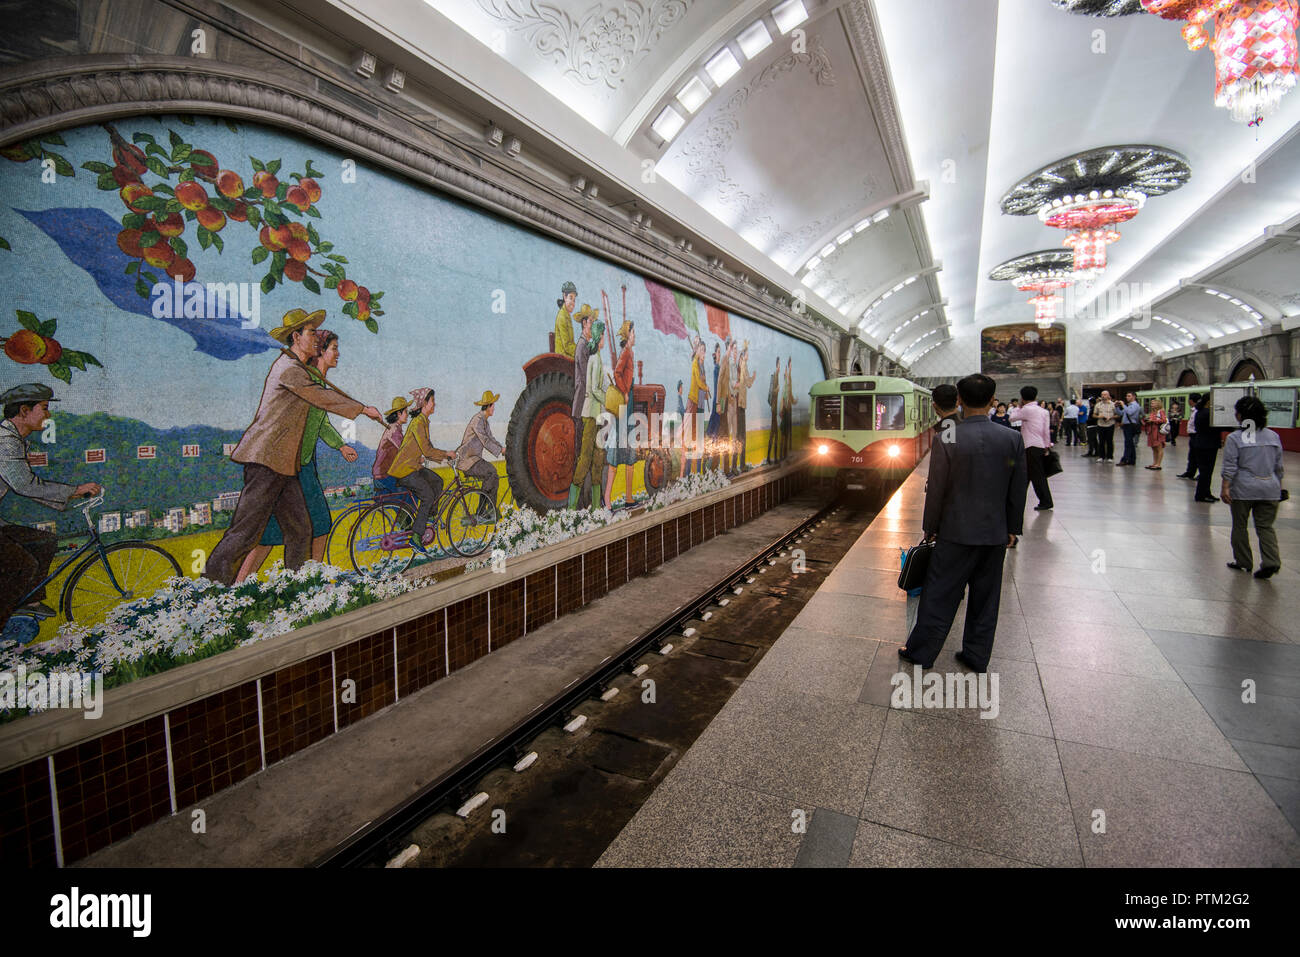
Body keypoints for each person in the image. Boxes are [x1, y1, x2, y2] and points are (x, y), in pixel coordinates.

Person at [205, 309, 381, 586]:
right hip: (265, 461)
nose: (316, 339)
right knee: (245, 532)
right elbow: (320, 397)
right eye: (311, 333)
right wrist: (361, 409)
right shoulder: (288, 369)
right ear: (296, 337)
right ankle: (211, 586)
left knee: (300, 529)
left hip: (285, 465)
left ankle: (297, 586)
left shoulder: (300, 369)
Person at [898, 374, 1028, 673]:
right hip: (994, 534)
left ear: (959, 399)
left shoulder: (948, 436)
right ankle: (976, 656)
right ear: (993, 400)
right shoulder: (1012, 438)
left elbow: (938, 487)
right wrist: (1012, 528)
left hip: (954, 533)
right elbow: (1018, 487)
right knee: (986, 598)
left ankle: (921, 653)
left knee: (939, 595)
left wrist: (930, 526)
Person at [236, 328, 359, 581]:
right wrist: (360, 413)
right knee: (309, 525)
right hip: (292, 464)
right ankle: (309, 579)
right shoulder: (306, 379)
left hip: (302, 463)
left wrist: (340, 445)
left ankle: (308, 577)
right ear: (321, 352)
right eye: (334, 348)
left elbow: (321, 422)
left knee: (281, 530)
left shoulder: (317, 381)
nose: (338, 354)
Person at [0, 383, 102, 631]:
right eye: (44, 409)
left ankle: (28, 603)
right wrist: (73, 491)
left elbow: (24, 485)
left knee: (43, 541)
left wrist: (69, 496)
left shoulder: (14, 438)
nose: (48, 415)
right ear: (24, 411)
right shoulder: (5, 441)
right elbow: (24, 484)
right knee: (21, 563)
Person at [1221, 396, 1284, 579]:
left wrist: (1225, 486)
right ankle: (1271, 561)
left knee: (1240, 526)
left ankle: (1243, 561)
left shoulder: (1235, 438)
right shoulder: (1273, 436)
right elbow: (1278, 466)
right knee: (1265, 527)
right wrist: (1279, 486)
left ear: (1241, 415)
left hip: (1244, 489)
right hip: (1270, 488)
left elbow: (1230, 465)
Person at [571, 320, 608, 505]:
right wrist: (609, 399)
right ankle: (571, 508)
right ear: (599, 336)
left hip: (596, 414)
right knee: (585, 459)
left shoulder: (597, 357)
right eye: (604, 336)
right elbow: (594, 388)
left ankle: (595, 507)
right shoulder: (594, 359)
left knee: (598, 460)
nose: (605, 339)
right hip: (591, 415)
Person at [603, 321, 637, 508]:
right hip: (624, 407)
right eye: (633, 332)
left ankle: (629, 497)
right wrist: (624, 391)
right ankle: (608, 499)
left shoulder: (630, 353)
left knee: (630, 455)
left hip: (629, 407)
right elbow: (617, 372)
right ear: (628, 335)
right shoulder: (625, 353)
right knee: (617, 454)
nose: (635, 335)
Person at [457, 390, 505, 519]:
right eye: (493, 405)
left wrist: (503, 448)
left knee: (494, 476)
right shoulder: (478, 420)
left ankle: (491, 509)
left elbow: (491, 438)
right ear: (488, 406)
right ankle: (481, 510)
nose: (494, 408)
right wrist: (500, 451)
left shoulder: (485, 421)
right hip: (467, 461)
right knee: (491, 472)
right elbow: (485, 440)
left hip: (474, 459)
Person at [1009, 385, 1054, 511]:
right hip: (1039, 445)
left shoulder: (1026, 410)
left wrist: (1018, 406)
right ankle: (1021, 498)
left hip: (1029, 446)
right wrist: (1047, 445)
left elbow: (1012, 418)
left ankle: (1045, 501)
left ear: (1022, 398)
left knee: (1035, 475)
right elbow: (1046, 431)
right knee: (1030, 474)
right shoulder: (1043, 411)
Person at [372, 396, 410, 495]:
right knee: (410, 494)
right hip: (384, 476)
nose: (408, 415)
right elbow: (404, 452)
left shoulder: (396, 429)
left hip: (386, 474)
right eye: (406, 412)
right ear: (399, 413)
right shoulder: (394, 431)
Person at [1189, 392, 1222, 503]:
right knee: (1206, 472)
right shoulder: (1208, 413)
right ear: (1209, 401)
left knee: (1206, 471)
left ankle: (1206, 493)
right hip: (1208, 445)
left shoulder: (1200, 411)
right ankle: (1201, 495)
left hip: (1202, 444)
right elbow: (1219, 427)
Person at [735, 341, 756, 473]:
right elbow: (746, 383)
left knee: (741, 436)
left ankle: (741, 465)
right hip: (740, 404)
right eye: (747, 353)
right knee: (741, 436)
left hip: (741, 403)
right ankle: (740, 465)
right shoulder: (743, 365)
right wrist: (753, 378)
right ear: (744, 355)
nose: (748, 355)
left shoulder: (742, 364)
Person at [1177, 393, 1202, 480]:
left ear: (1191, 400)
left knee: (1198, 456)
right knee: (1192, 455)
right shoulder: (1193, 410)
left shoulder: (1198, 410)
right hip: (1192, 436)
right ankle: (1190, 472)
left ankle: (1200, 474)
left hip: (1197, 435)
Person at [554, 281, 578, 359]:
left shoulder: (567, 315)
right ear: (564, 296)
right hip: (563, 358)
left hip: (568, 356)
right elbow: (567, 346)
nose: (573, 303)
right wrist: (580, 351)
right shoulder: (562, 317)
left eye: (574, 300)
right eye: (571, 298)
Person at [1117, 392, 1142, 467]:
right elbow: (1121, 413)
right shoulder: (1128, 406)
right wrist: (1117, 407)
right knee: (1130, 443)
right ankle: (1132, 460)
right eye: (1126, 396)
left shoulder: (1135, 405)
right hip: (1126, 425)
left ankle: (1125, 459)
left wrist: (1123, 405)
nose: (1127, 397)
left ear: (1134, 397)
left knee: (1128, 443)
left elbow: (1130, 412)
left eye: (1129, 396)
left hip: (1130, 425)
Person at [1092, 390, 1118, 462]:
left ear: (1108, 396)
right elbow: (1094, 415)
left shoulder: (1113, 404)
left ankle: (1110, 456)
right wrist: (1099, 416)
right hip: (1100, 425)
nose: (1103, 396)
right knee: (1101, 441)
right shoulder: (1098, 405)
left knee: (1109, 441)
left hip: (1110, 424)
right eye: (1102, 395)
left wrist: (1111, 417)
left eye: (1105, 395)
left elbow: (1117, 414)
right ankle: (1101, 456)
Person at [1144, 398, 1167, 471]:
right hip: (1151, 432)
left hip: (1158, 432)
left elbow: (1164, 420)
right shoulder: (1152, 412)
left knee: (1159, 447)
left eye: (1153, 403)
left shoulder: (1161, 412)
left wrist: (1153, 420)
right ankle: (1154, 463)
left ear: (1158, 404)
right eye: (1151, 403)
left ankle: (1158, 464)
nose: (1151, 405)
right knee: (1153, 448)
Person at [765, 356, 780, 464]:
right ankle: (770, 458)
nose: (779, 367)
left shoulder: (777, 376)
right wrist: (776, 389)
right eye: (779, 365)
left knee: (774, 433)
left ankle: (772, 458)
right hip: (773, 409)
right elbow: (772, 393)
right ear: (776, 365)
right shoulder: (775, 376)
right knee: (773, 433)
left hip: (774, 409)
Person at [780, 357, 793, 459]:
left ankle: (785, 454)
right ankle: (784, 455)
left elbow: (789, 397)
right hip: (785, 412)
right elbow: (783, 399)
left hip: (786, 411)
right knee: (784, 434)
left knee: (786, 434)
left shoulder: (787, 385)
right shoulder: (785, 385)